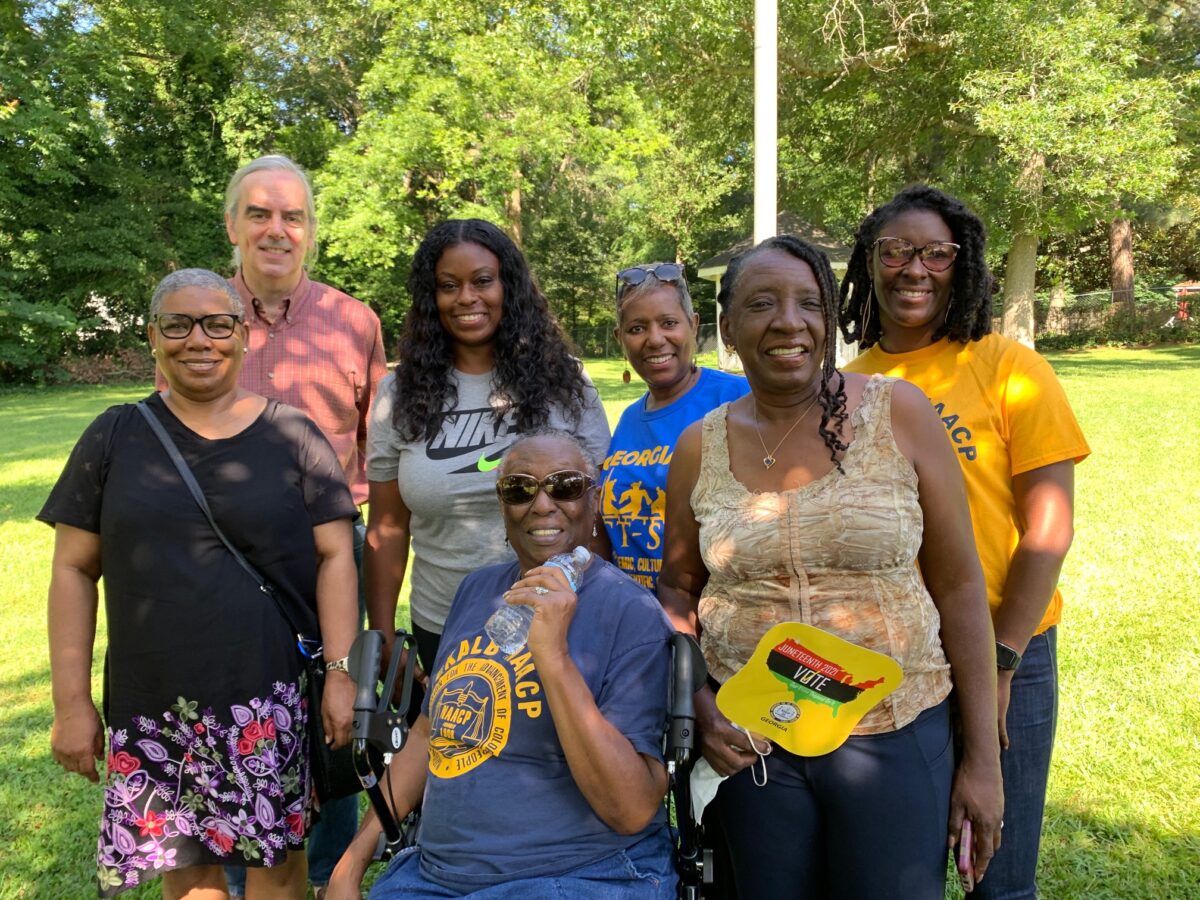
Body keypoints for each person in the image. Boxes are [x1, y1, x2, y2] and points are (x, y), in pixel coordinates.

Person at [657, 235, 1004, 899]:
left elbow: (960, 587)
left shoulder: (898, 415)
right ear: (727, 328)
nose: (790, 321)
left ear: (829, 320)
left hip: (895, 728)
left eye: (809, 303)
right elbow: (677, 587)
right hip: (754, 742)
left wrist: (983, 762)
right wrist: (699, 703)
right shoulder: (699, 447)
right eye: (763, 304)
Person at [43, 269, 360, 898]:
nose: (200, 340)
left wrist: (343, 674)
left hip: (265, 696)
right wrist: (70, 702)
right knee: (187, 871)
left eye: (218, 324)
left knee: (277, 864)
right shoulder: (114, 436)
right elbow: (73, 568)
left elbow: (337, 558)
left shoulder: (292, 434)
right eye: (178, 325)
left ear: (243, 336)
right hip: (155, 699)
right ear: (154, 338)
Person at [839, 184, 1090, 900]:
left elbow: (1049, 528)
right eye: (895, 251)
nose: (914, 269)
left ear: (963, 265)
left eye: (936, 254)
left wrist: (1004, 659)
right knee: (898, 870)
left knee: (997, 874)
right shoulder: (844, 386)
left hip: (1011, 645)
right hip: (889, 651)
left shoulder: (1009, 368)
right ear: (870, 261)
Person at [163, 154, 388, 897]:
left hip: (329, 550)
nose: (276, 229)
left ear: (312, 231)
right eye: (258, 213)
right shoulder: (200, 314)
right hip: (218, 556)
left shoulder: (355, 323)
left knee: (335, 713)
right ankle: (231, 867)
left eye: (292, 216)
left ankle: (325, 875)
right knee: (225, 718)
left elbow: (377, 452)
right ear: (232, 224)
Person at [328, 430, 676, 898]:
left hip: (578, 873)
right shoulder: (477, 592)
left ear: (593, 501)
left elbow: (631, 809)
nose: (542, 503)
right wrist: (352, 861)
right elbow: (429, 734)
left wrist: (552, 658)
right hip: (435, 877)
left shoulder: (628, 612)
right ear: (502, 505)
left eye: (566, 485)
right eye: (519, 489)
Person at [365, 219, 610, 676]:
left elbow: (595, 513)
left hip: (560, 623)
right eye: (448, 285)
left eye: (482, 281)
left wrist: (602, 615)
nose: (467, 298)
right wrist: (384, 636)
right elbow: (386, 527)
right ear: (430, 297)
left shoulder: (565, 383)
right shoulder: (398, 394)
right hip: (443, 626)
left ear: (508, 287)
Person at [600, 262, 748, 591]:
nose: (655, 339)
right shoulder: (628, 419)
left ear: (693, 325)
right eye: (636, 328)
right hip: (636, 616)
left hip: (706, 611)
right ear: (620, 338)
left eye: (669, 323)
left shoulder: (736, 397)